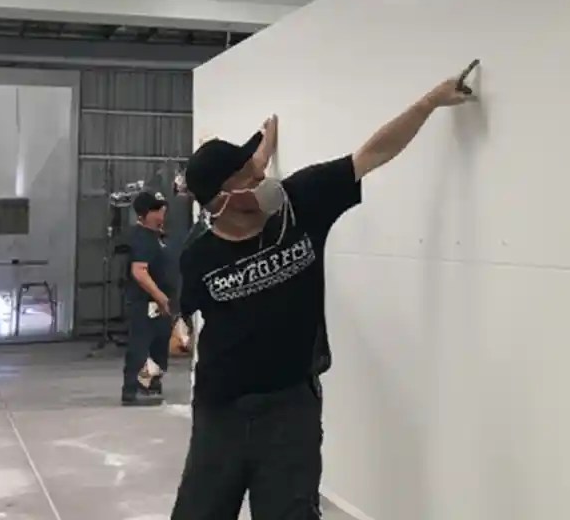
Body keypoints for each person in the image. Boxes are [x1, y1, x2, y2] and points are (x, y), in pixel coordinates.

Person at [170, 72, 474, 520]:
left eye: (258, 165)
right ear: (223, 200)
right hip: (221, 412)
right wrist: (178, 330)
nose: (262, 174)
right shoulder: (199, 255)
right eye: (249, 175)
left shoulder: (302, 202)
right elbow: (187, 310)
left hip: (291, 407)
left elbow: (372, 154)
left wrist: (429, 101)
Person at [123, 190, 174, 406]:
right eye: (157, 209)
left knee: (158, 345)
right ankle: (133, 389)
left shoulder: (157, 236)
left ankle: (150, 384)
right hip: (145, 303)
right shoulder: (142, 237)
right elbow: (139, 271)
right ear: (146, 214)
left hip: (158, 304)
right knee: (141, 345)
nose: (163, 212)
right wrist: (160, 296)